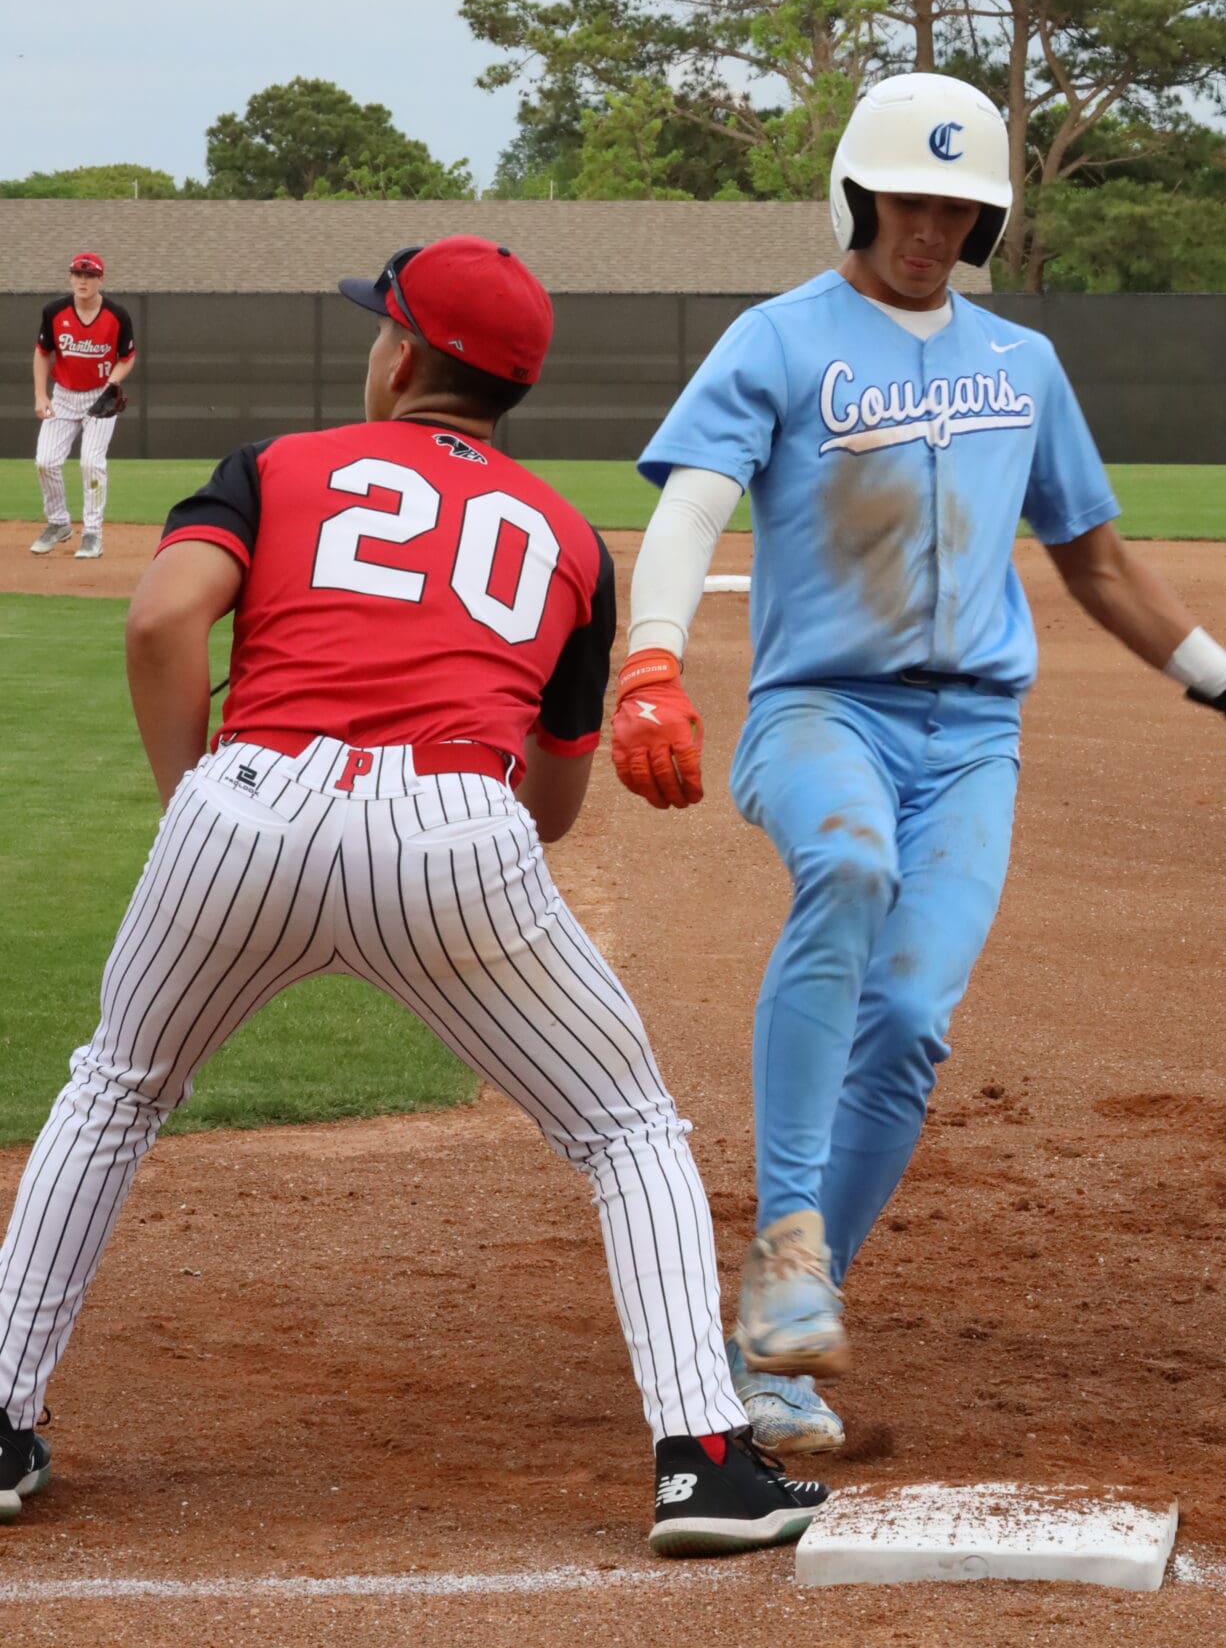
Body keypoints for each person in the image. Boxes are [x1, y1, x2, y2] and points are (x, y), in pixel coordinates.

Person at [0, 235, 826, 1557]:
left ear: (401, 355)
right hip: (453, 822)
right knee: (625, 1129)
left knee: (114, 1090)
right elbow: (550, 811)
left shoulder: (278, 466)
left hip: (246, 806)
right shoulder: (564, 539)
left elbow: (163, 624)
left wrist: (194, 811)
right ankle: (704, 1461)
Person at [610, 75, 1226, 1454]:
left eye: (960, 209)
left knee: (906, 1024)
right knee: (843, 869)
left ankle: (779, 1337)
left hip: (971, 741)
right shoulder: (777, 342)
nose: (932, 228)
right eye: (912, 200)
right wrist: (652, 657)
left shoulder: (1019, 364)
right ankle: (785, 1242)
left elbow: (1091, 557)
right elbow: (690, 509)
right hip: (819, 714)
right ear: (858, 194)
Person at [32, 251, 137, 560]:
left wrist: (112, 385)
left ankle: (92, 534)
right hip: (63, 394)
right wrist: (41, 395)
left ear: (100, 280)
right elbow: (42, 353)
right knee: (45, 461)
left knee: (91, 462)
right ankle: (58, 523)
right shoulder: (54, 312)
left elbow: (127, 357)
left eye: (89, 275)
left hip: (99, 397)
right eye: (77, 274)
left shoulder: (117, 315)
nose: (82, 280)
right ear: (70, 278)